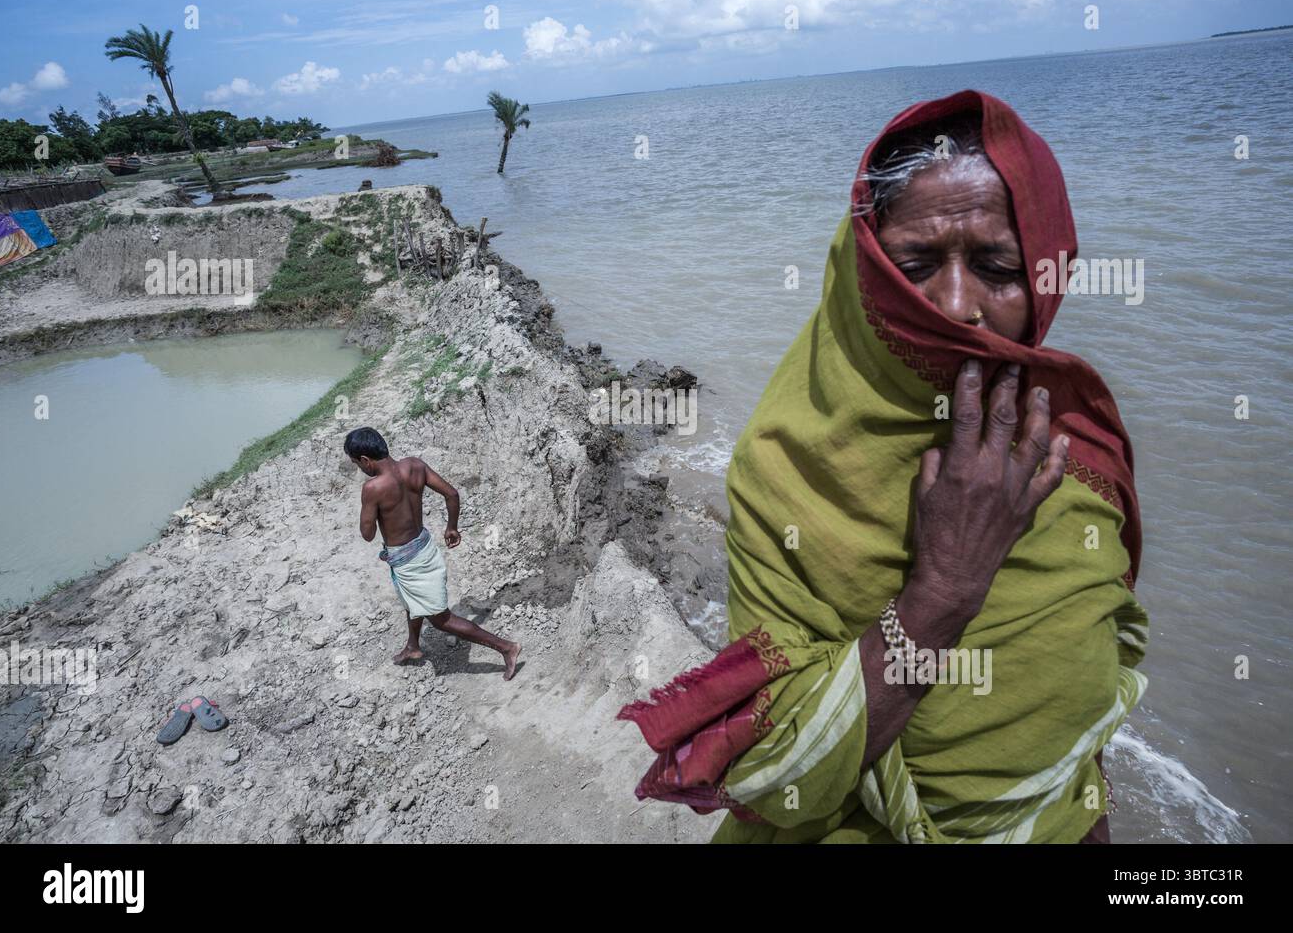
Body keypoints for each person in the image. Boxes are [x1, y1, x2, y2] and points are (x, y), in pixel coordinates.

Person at [618, 90, 1147, 843]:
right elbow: (774, 771)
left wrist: (1077, 809)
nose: (957, 303)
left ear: (1050, 272)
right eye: (916, 263)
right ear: (866, 270)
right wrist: (943, 592)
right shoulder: (787, 466)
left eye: (997, 265)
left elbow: (1084, 686)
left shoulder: (1072, 441)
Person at [344, 426, 521, 680]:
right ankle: (413, 646)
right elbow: (451, 493)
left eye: (355, 464)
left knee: (442, 620)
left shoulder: (373, 488)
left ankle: (506, 648)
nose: (358, 469)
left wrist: (369, 509)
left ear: (365, 460)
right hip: (425, 547)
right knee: (412, 602)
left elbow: (368, 534)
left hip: (409, 561)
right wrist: (452, 527)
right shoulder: (414, 465)